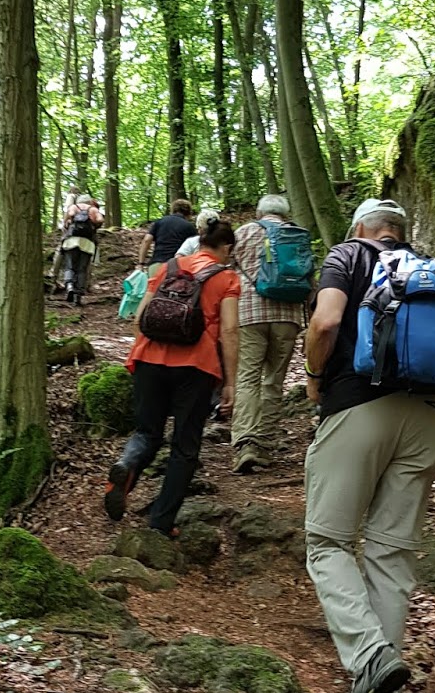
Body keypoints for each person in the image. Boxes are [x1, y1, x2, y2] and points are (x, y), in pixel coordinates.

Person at [302, 198, 435, 693]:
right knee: (390, 553)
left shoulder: (347, 256)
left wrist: (313, 374)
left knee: (328, 541)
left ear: (361, 228)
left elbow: (327, 320)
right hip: (428, 421)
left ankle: (370, 658)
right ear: (404, 232)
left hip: (358, 412)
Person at [104, 219, 240, 536]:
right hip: (196, 367)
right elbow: (231, 332)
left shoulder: (168, 266)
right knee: (184, 447)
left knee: (147, 432)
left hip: (149, 359)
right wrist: (230, 382)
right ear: (226, 248)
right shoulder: (227, 278)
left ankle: (125, 466)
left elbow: (141, 317)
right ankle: (161, 523)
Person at [230, 194, 307, 474]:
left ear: (259, 212)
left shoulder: (245, 232)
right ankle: (264, 445)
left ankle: (245, 442)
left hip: (250, 312)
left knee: (248, 377)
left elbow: (227, 269)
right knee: (274, 380)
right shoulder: (296, 233)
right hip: (288, 316)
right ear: (284, 214)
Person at [61, 193, 104, 306]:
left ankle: (69, 286)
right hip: (87, 242)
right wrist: (93, 224)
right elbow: (100, 220)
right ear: (89, 201)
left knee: (69, 266)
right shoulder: (93, 209)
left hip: (71, 240)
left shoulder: (74, 207)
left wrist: (68, 222)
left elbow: (68, 217)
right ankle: (78, 296)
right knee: (82, 268)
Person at [137, 199, 196, 277]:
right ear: (189, 212)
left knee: (153, 288)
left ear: (173, 210)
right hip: (177, 267)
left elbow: (147, 240)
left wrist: (141, 263)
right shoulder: (189, 227)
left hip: (156, 265)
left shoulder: (160, 222)